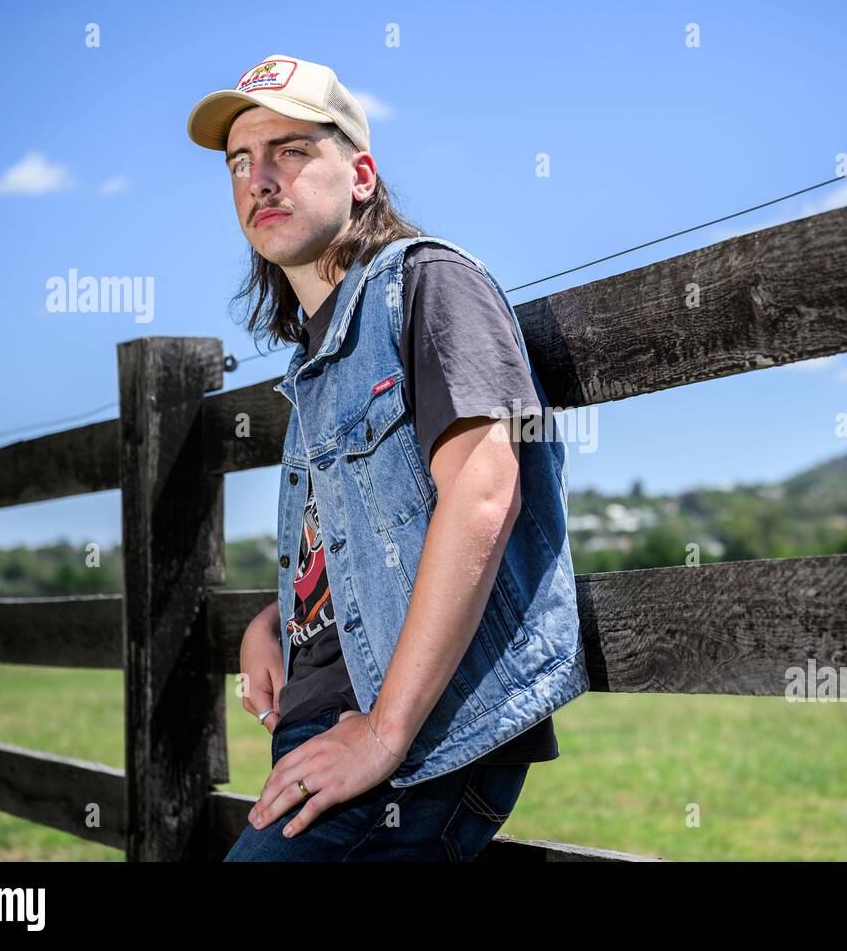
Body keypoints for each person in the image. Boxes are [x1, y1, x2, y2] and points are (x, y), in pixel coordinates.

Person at [185, 54, 589, 861]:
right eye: (240, 161)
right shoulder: (314, 358)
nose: (260, 178)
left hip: (418, 747)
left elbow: (483, 491)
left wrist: (384, 729)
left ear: (361, 174)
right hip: (331, 733)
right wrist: (278, 621)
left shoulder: (428, 284)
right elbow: (363, 540)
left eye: (290, 152)